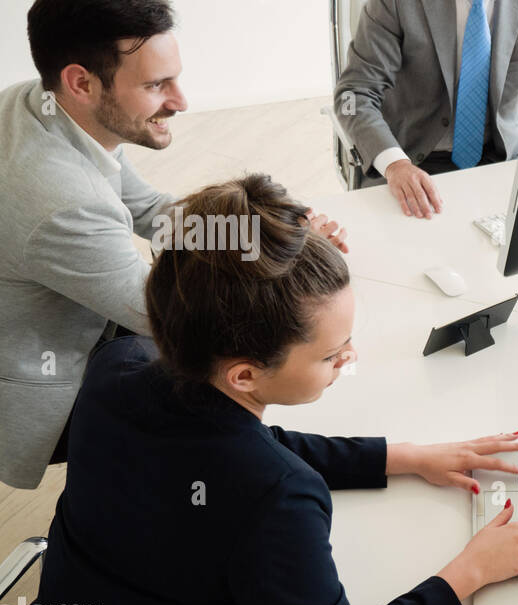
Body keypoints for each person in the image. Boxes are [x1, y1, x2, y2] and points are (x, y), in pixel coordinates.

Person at [0, 175, 518, 605]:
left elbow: (230, 445)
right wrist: (470, 571)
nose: (348, 360)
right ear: (246, 374)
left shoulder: (117, 366)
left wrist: (401, 456)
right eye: (331, 355)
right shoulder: (278, 498)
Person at [0, 0, 348, 490]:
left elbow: (152, 213)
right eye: (154, 85)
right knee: (230, 366)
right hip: (46, 379)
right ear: (81, 82)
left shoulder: (44, 105)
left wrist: (263, 234)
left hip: (73, 322)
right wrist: (301, 299)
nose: (181, 101)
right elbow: (176, 320)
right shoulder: (60, 202)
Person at [333, 0, 518, 218]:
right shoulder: (396, 3)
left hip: (501, 159)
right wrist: (394, 164)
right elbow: (353, 94)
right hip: (411, 157)